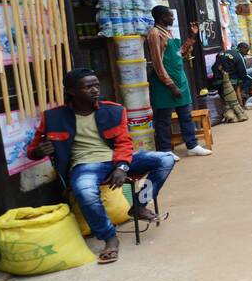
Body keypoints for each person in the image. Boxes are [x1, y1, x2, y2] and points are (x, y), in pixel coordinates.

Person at [27, 69, 175, 264]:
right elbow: (32, 151)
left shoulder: (113, 110)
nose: (95, 90)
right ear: (72, 91)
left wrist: (121, 167)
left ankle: (139, 205)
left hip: (118, 159)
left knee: (166, 159)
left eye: (96, 85)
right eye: (88, 87)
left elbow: (124, 143)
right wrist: (39, 151)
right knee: (85, 192)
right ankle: (109, 238)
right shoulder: (53, 118)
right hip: (85, 164)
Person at [146, 5, 212, 157]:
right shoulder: (154, 33)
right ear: (162, 17)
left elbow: (179, 53)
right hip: (164, 83)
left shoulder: (168, 33)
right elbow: (157, 62)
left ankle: (192, 145)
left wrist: (192, 37)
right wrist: (170, 85)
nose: (173, 18)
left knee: (186, 115)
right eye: (170, 16)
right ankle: (165, 150)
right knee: (163, 119)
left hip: (179, 78)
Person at [212, 49, 250, 123]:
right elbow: (242, 71)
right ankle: (237, 112)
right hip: (231, 81)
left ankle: (229, 112)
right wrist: (243, 80)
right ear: (243, 50)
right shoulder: (238, 55)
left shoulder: (220, 53)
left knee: (226, 99)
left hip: (217, 81)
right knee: (244, 81)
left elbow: (213, 68)